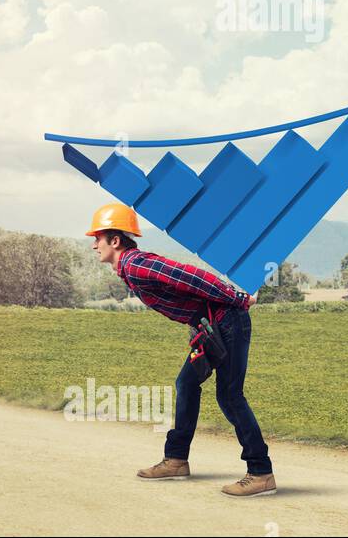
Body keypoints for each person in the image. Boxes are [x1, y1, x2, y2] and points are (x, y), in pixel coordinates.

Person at [87, 202, 276, 497]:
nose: (93, 245)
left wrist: (237, 298)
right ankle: (176, 460)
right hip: (211, 326)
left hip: (228, 320)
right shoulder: (129, 268)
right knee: (186, 383)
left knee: (229, 395)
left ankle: (261, 472)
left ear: (114, 240)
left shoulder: (136, 265)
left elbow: (189, 277)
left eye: (96, 238)